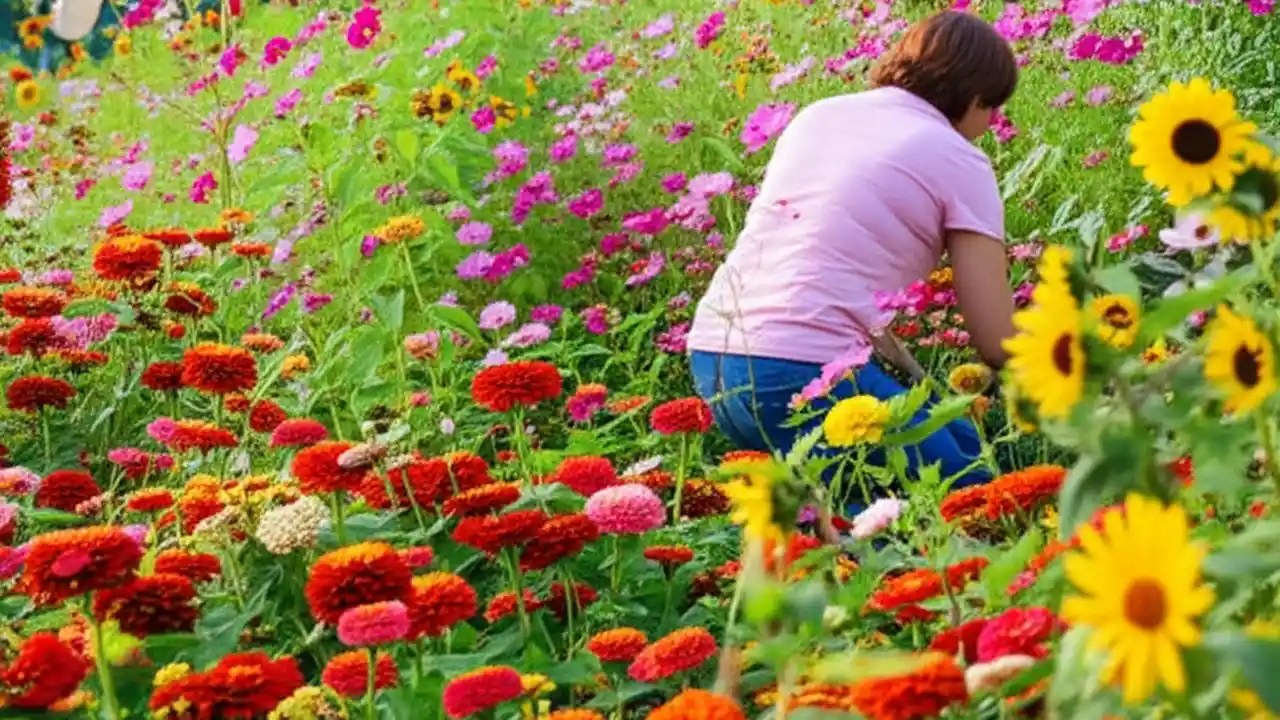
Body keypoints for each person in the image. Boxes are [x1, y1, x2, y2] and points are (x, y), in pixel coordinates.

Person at [687, 11, 1019, 502]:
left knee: (960, 444)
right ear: (972, 95)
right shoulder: (957, 156)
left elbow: (820, 253)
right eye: (993, 108)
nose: (993, 123)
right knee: (966, 498)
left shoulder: (822, 115)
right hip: (798, 371)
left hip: (716, 359)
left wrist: (912, 372)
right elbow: (996, 342)